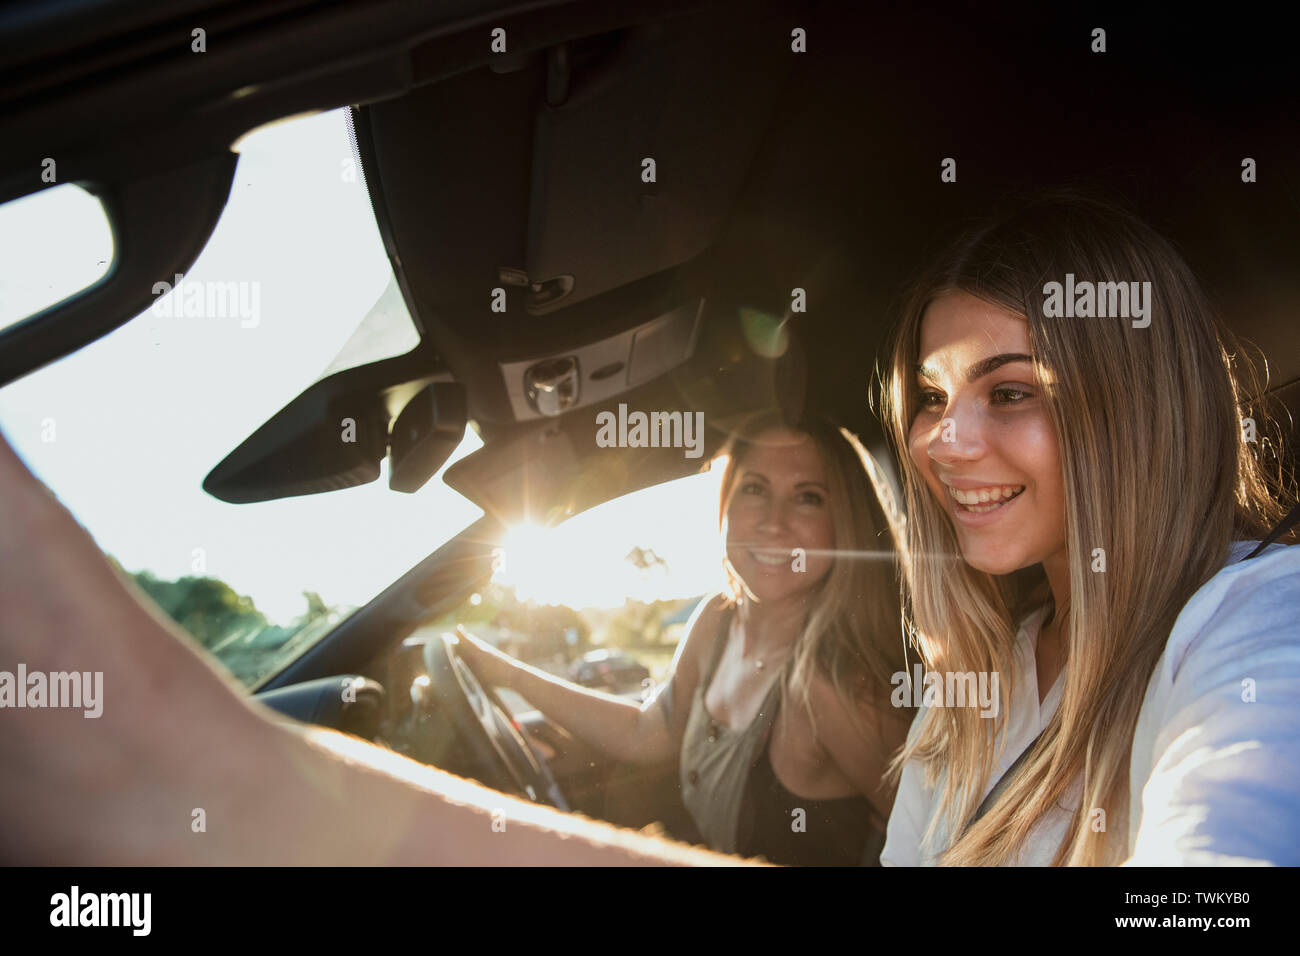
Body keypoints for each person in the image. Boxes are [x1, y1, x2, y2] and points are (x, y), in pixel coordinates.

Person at [874, 191, 1300, 866]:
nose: (944, 444)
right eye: (931, 398)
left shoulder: (1263, 614)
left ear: (1135, 411)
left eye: (1010, 392)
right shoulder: (978, 680)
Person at [456, 417, 913, 865]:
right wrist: (507, 674)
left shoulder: (833, 686)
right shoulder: (717, 619)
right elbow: (649, 732)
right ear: (726, 507)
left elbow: (936, 838)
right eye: (754, 489)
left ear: (844, 522)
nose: (774, 523)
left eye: (808, 498)